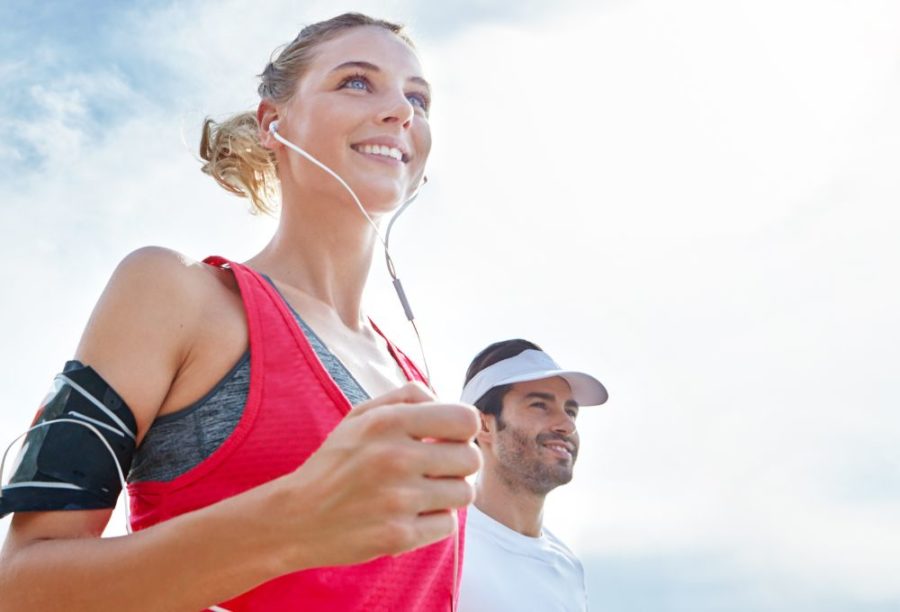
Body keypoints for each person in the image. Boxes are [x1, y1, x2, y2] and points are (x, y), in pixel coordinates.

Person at [0, 13, 481, 611]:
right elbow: (22, 589)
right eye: (357, 81)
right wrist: (293, 521)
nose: (401, 111)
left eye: (419, 98)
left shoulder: (414, 379)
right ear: (273, 123)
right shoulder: (176, 295)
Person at [457, 339, 608, 611]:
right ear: (483, 424)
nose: (567, 425)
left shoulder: (568, 569)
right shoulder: (437, 541)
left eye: (571, 411)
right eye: (540, 405)